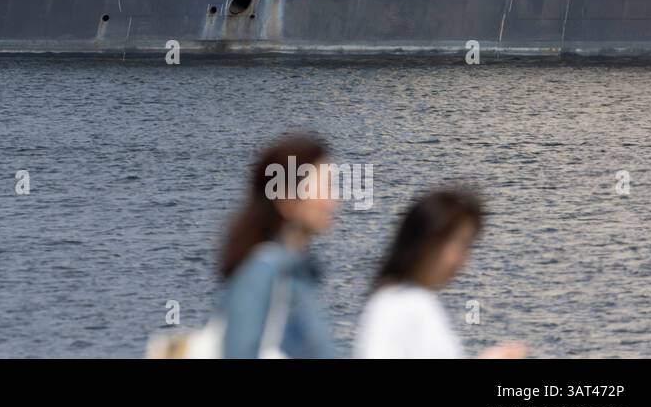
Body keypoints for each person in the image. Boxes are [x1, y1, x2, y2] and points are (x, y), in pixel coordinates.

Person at [354, 189, 525, 359]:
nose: (463, 260)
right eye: (461, 245)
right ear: (432, 241)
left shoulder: (407, 300)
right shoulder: (401, 305)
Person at [218, 134, 339, 358]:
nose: (333, 201)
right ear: (287, 200)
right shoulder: (262, 273)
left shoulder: (295, 273)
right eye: (325, 188)